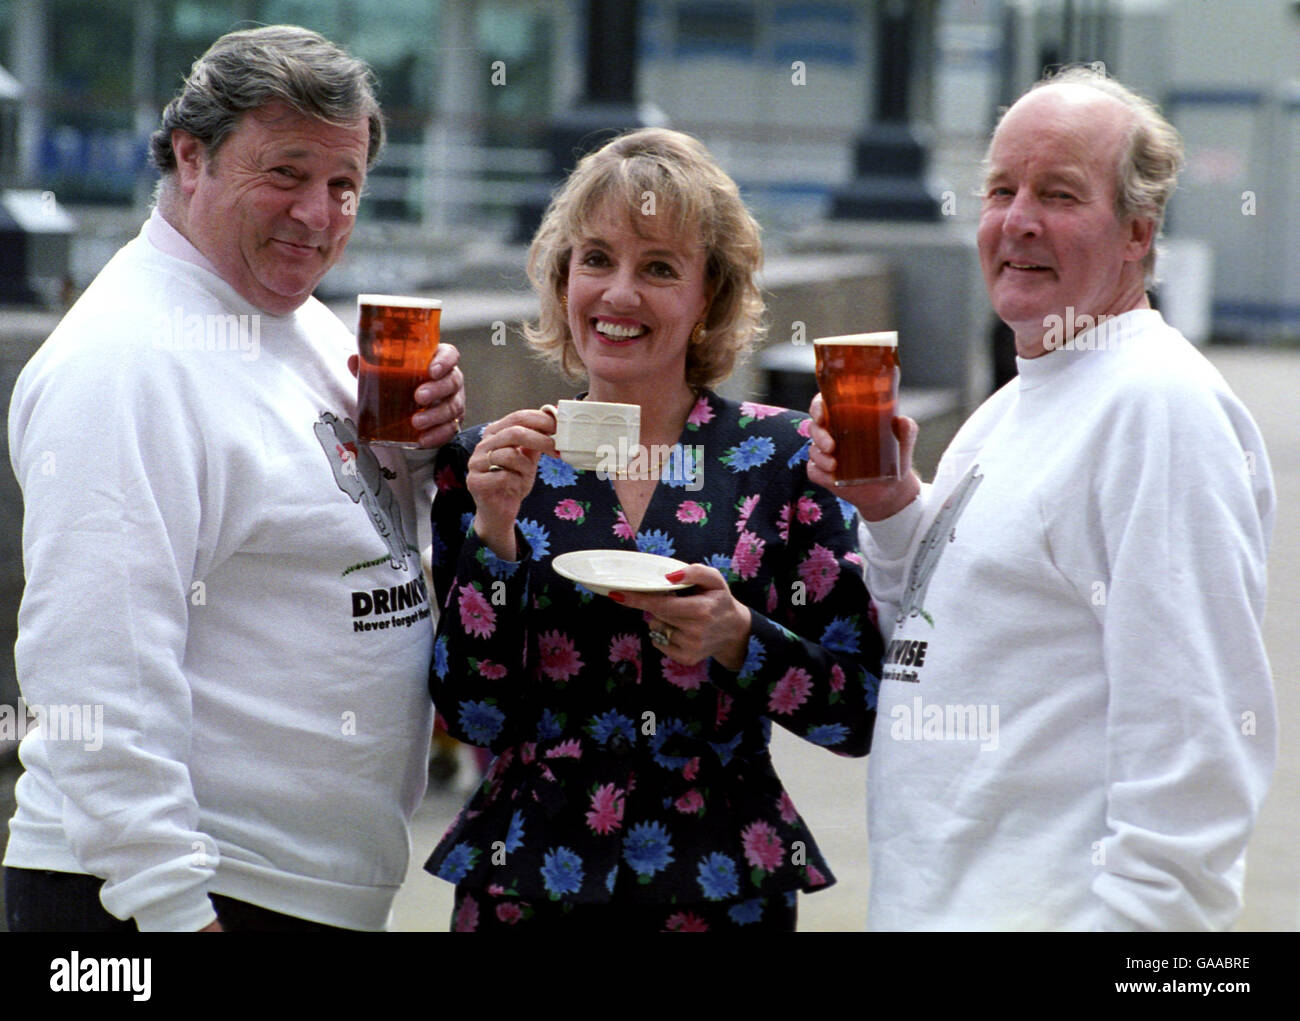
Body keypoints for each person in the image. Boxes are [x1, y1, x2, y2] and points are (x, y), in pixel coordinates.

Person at [4, 25, 465, 932]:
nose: (318, 213)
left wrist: (419, 458)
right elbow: (94, 668)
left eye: (344, 186)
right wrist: (171, 907)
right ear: (191, 156)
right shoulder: (127, 359)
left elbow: (347, 537)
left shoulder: (292, 318)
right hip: (169, 899)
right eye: (285, 174)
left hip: (284, 886)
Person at [809, 67, 1276, 930]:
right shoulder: (1020, 399)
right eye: (1000, 189)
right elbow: (936, 634)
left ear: (1138, 232)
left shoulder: (1158, 408)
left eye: (1059, 194)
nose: (1017, 220)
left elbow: (1196, 753)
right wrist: (888, 508)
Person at [425, 128, 883, 931]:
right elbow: (473, 717)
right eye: (596, 258)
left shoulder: (779, 459)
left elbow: (856, 712)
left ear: (709, 296)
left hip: (720, 884)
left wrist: (740, 636)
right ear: (562, 276)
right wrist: (494, 530)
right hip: (528, 882)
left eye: (660, 267)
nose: (619, 293)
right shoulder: (492, 462)